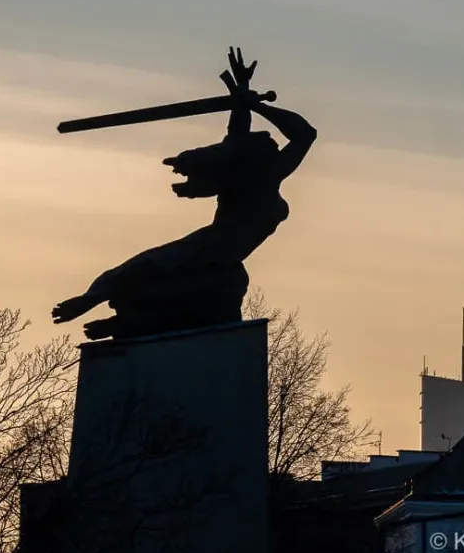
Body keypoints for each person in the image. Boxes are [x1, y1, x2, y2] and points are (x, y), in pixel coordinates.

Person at [52, 48, 317, 339]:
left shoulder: (264, 176)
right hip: (215, 250)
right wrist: (244, 99)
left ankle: (130, 321)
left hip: (221, 259)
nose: (274, 144)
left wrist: (251, 102)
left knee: (213, 294)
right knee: (158, 270)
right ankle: (124, 317)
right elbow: (240, 142)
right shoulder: (255, 177)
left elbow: (302, 133)